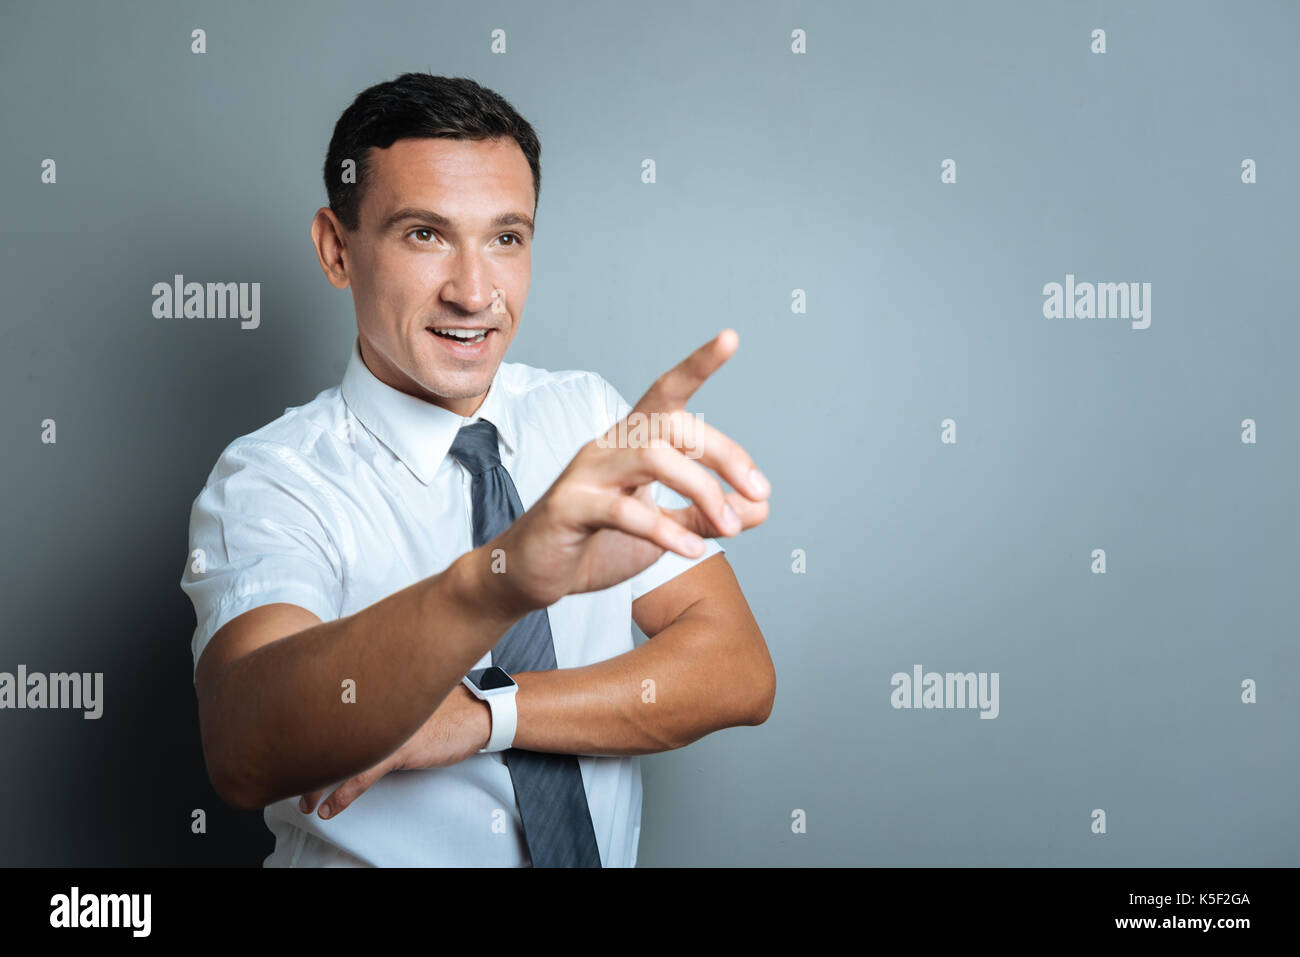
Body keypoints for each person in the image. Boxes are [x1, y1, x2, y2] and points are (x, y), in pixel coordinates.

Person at [180, 73, 774, 867]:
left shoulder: (587, 419)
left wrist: (483, 712)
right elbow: (244, 744)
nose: (474, 292)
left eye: (506, 237)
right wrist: (498, 581)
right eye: (424, 234)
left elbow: (737, 672)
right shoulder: (274, 479)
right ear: (336, 248)